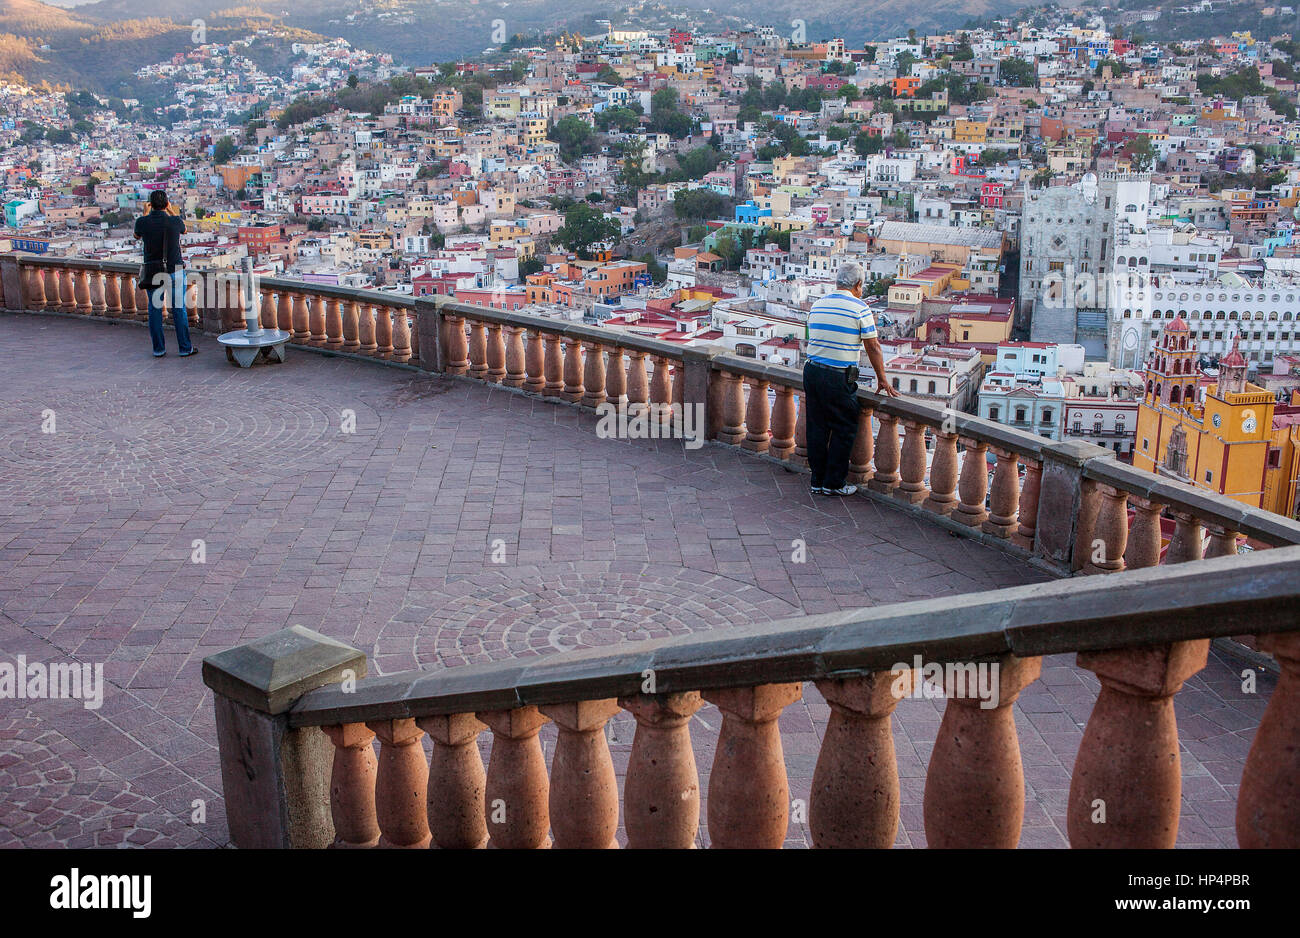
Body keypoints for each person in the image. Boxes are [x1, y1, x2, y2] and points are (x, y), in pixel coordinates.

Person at [802, 262, 899, 497]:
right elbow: (873, 346)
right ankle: (833, 483)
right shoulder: (860, 307)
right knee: (844, 428)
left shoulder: (818, 304)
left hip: (812, 371)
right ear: (858, 285)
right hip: (837, 376)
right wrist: (882, 379)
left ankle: (817, 480)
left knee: (817, 427)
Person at [133, 190, 194, 358]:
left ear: (150, 204)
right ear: (166, 204)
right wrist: (171, 210)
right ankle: (184, 348)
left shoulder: (142, 222)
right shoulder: (174, 221)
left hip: (153, 272)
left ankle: (158, 349)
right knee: (178, 309)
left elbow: (136, 235)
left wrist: (145, 213)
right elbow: (185, 230)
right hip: (175, 270)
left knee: (155, 310)